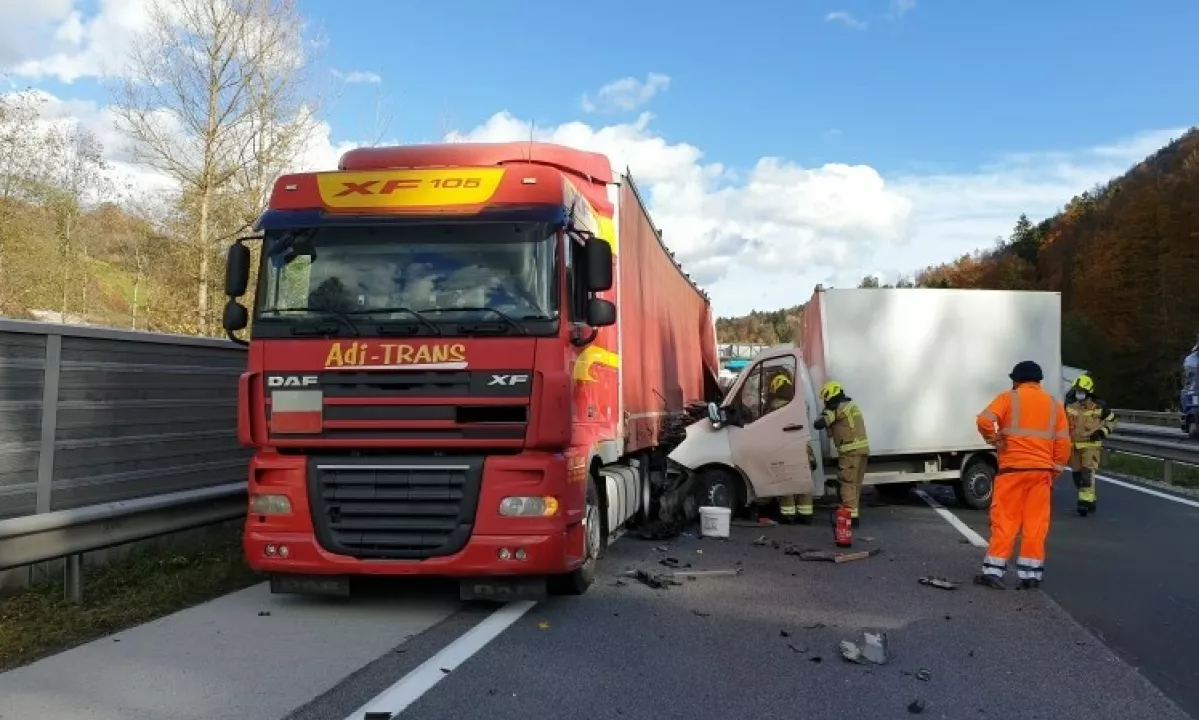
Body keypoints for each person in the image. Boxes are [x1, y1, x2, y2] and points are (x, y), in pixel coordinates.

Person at [974, 360, 1072, 590]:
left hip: (1012, 471)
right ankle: (1031, 575)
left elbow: (984, 420)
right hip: (1041, 473)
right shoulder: (1054, 405)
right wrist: (1054, 471)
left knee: (1005, 521)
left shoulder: (1009, 398)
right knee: (1036, 525)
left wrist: (993, 438)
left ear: (1016, 380)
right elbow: (1063, 444)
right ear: (1038, 381)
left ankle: (993, 571)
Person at [812, 380, 869, 528]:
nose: (825, 401)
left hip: (850, 453)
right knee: (855, 485)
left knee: (847, 485)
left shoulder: (837, 408)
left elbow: (819, 424)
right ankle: (854, 517)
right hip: (862, 451)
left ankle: (848, 520)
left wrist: (824, 412)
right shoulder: (851, 405)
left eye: (825, 397)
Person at [1064, 374, 1117, 517]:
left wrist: (1101, 432)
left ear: (1088, 392)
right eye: (1077, 390)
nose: (1078, 393)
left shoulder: (1099, 407)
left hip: (1091, 445)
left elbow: (1112, 421)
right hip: (1074, 446)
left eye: (1081, 390)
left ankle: (1084, 504)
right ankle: (1090, 498)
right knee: (1076, 476)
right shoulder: (1069, 405)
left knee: (1086, 474)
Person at [766, 370, 815, 525]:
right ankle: (806, 515)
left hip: (785, 449)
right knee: (803, 481)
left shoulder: (774, 406)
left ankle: (788, 515)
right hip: (802, 448)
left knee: (786, 481)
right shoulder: (799, 404)